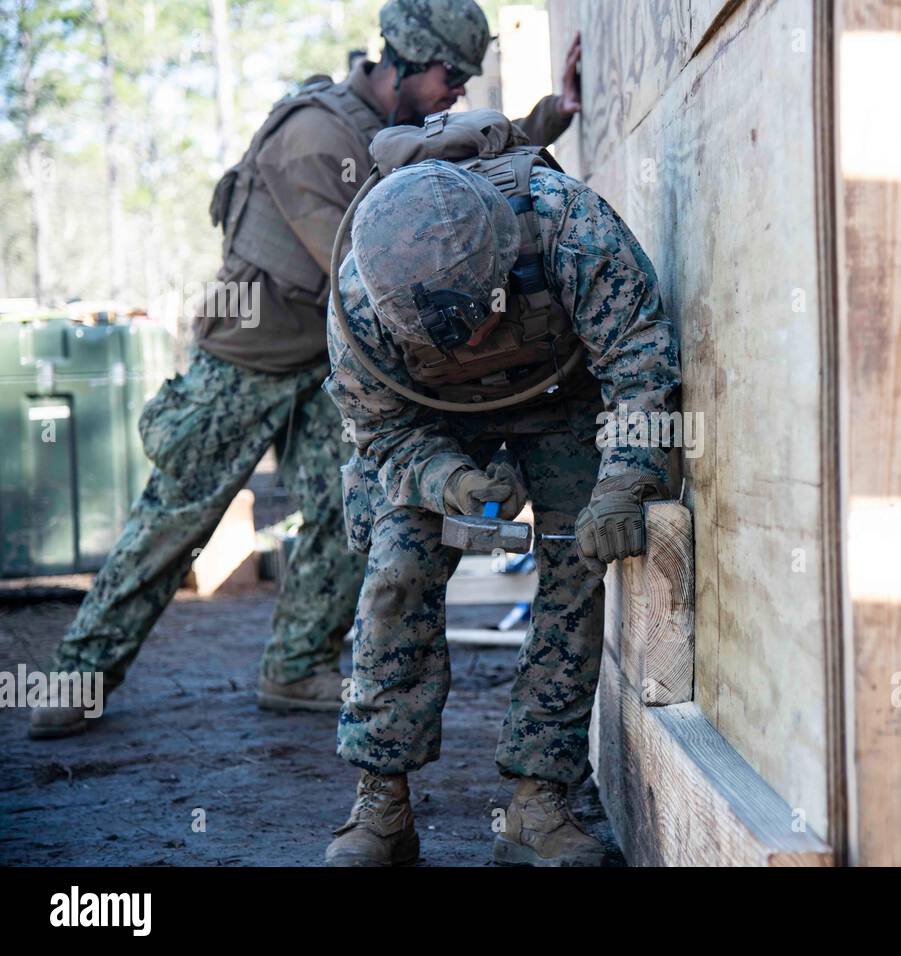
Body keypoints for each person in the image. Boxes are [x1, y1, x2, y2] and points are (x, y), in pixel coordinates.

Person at [29, 0, 582, 740]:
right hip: (247, 361)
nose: (458, 89)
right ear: (407, 62)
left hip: (326, 363)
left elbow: (465, 155)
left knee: (341, 512)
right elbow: (368, 261)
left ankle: (296, 666)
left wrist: (548, 115)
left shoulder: (386, 128)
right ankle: (79, 676)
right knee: (174, 522)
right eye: (452, 74)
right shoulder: (314, 134)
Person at [319, 118, 681, 866]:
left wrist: (624, 480)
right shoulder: (358, 300)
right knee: (396, 569)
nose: (469, 345)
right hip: (430, 424)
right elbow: (379, 432)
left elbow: (640, 361)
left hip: (563, 395)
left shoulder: (567, 225)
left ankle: (538, 804)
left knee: (578, 563)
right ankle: (381, 803)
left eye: (476, 323)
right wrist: (447, 478)